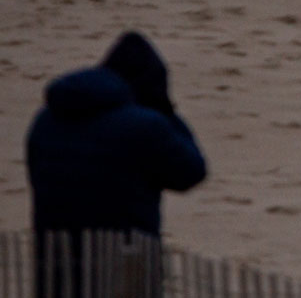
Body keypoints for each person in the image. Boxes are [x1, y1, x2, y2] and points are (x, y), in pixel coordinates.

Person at [27, 30, 207, 290]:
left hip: (57, 265)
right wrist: (165, 110)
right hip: (124, 268)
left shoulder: (46, 119)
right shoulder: (145, 126)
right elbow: (192, 171)